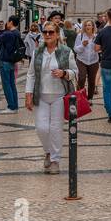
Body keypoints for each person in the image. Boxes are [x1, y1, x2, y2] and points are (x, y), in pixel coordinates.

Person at [25, 20, 78, 173]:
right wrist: (28, 94)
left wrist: (64, 73)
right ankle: (48, 151)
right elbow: (31, 74)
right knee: (41, 128)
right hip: (41, 95)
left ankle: (55, 160)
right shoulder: (38, 52)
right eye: (45, 32)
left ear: (57, 35)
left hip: (59, 96)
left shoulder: (66, 51)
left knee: (55, 129)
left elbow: (75, 72)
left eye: (51, 32)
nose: (48, 35)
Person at [0, 15, 27, 112]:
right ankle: (15, 105)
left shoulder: (8, 34)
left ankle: (11, 106)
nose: (6, 23)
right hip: (12, 61)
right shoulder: (17, 33)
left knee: (6, 85)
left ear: (11, 22)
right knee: (12, 84)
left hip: (5, 60)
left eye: (8, 21)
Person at [73, 19, 101, 100]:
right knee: (81, 78)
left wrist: (99, 48)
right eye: (85, 25)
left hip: (94, 61)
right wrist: (82, 45)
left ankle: (90, 99)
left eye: (89, 25)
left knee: (92, 81)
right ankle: (80, 98)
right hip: (81, 60)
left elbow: (99, 49)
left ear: (93, 26)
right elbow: (76, 49)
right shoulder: (80, 36)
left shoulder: (96, 37)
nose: (87, 27)